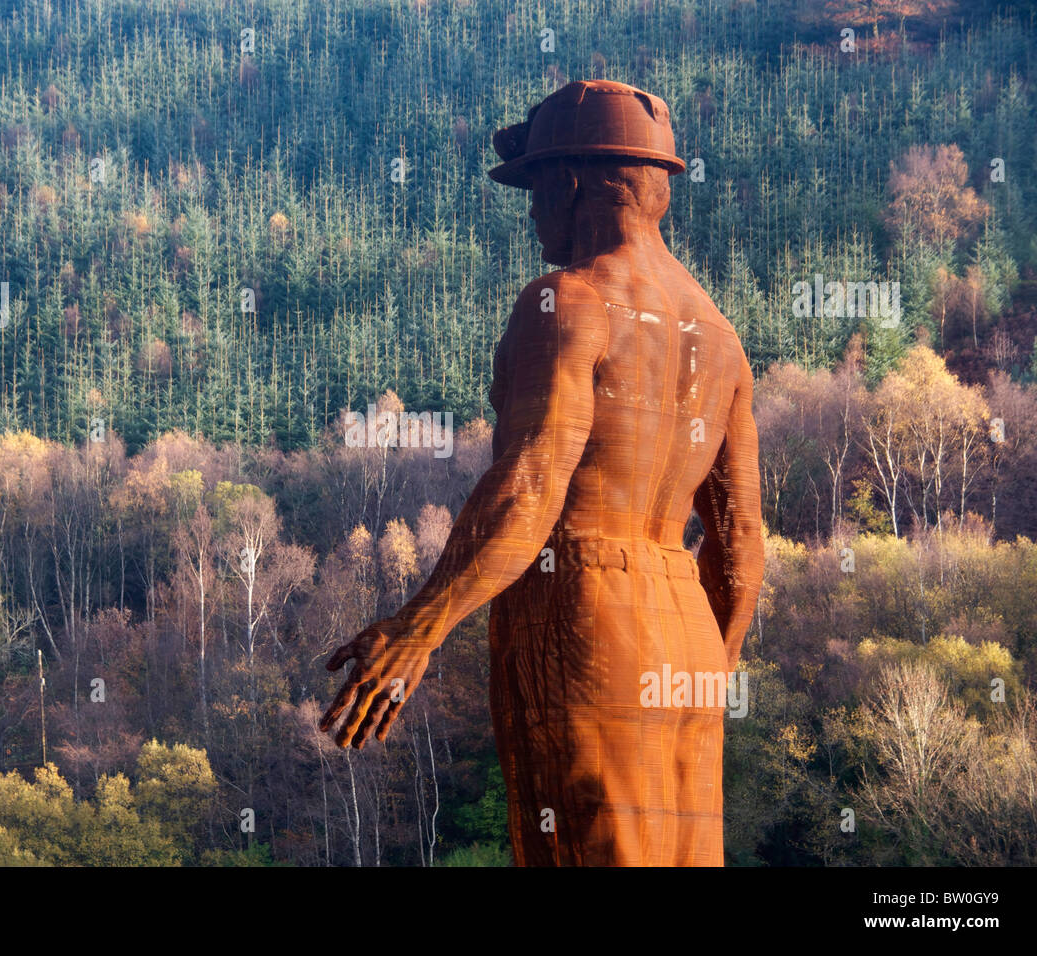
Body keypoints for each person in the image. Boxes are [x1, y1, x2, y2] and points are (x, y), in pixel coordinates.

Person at [319, 80, 763, 866]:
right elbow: (740, 544)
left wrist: (420, 627)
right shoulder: (719, 335)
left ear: (568, 182)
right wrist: (710, 675)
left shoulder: (570, 301)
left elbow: (533, 482)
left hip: (589, 614)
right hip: (690, 637)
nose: (529, 214)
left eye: (532, 189)